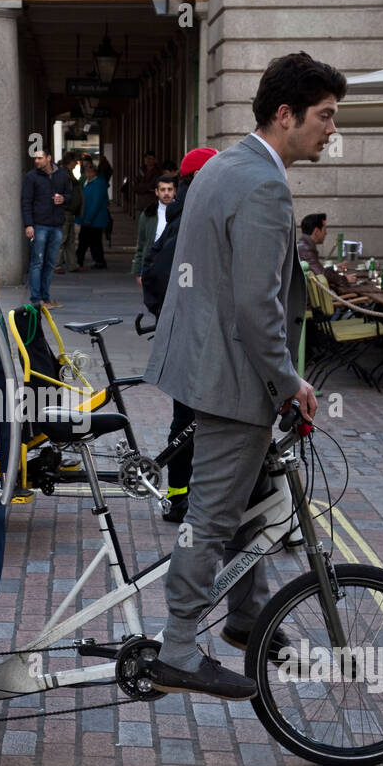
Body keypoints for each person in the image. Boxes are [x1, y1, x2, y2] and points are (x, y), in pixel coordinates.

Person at [142, 51, 338, 699]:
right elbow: (258, 303)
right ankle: (176, 648)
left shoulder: (225, 165)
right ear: (286, 114)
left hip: (202, 365)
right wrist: (290, 382)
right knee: (212, 516)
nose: (331, 130)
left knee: (251, 496)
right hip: (232, 379)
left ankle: (249, 616)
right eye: (325, 115)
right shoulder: (264, 184)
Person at [141, 147, 217, 523]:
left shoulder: (186, 211)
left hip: (187, 330)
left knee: (188, 416)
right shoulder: (193, 215)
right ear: (200, 177)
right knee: (189, 418)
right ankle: (178, 498)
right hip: (192, 334)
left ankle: (182, 494)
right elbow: (159, 274)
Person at [20, 147, 71, 308]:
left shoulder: (62, 175)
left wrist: (63, 198)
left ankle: (46, 298)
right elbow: (26, 201)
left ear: (49, 158)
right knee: (37, 262)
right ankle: (36, 299)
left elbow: (70, 195)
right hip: (39, 225)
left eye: (40, 158)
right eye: (35, 158)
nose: (36, 161)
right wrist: (28, 224)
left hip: (56, 225)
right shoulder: (31, 177)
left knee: (50, 263)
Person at [132, 174, 176, 283]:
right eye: (163, 190)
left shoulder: (184, 212)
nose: (166, 193)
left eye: (169, 189)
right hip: (153, 264)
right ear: (157, 192)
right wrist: (138, 272)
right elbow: (141, 244)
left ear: (175, 191)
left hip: (176, 266)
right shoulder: (148, 215)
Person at [296, 212, 355, 292]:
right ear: (316, 232)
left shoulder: (304, 245)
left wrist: (335, 268)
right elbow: (321, 275)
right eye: (324, 229)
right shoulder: (305, 249)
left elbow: (317, 270)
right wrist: (345, 279)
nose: (326, 233)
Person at [75, 158, 110, 273]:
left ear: (94, 172)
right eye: (86, 172)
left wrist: (89, 218)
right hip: (88, 217)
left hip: (94, 218)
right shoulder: (87, 182)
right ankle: (97, 261)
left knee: (87, 240)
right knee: (91, 240)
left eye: (90, 172)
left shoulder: (99, 183)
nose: (87, 174)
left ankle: (80, 260)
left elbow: (96, 202)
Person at [54, 153, 83, 274]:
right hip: (64, 211)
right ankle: (57, 265)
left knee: (70, 239)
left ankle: (72, 264)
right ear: (69, 161)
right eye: (75, 161)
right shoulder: (62, 174)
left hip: (70, 211)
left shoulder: (68, 173)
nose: (77, 163)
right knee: (62, 238)